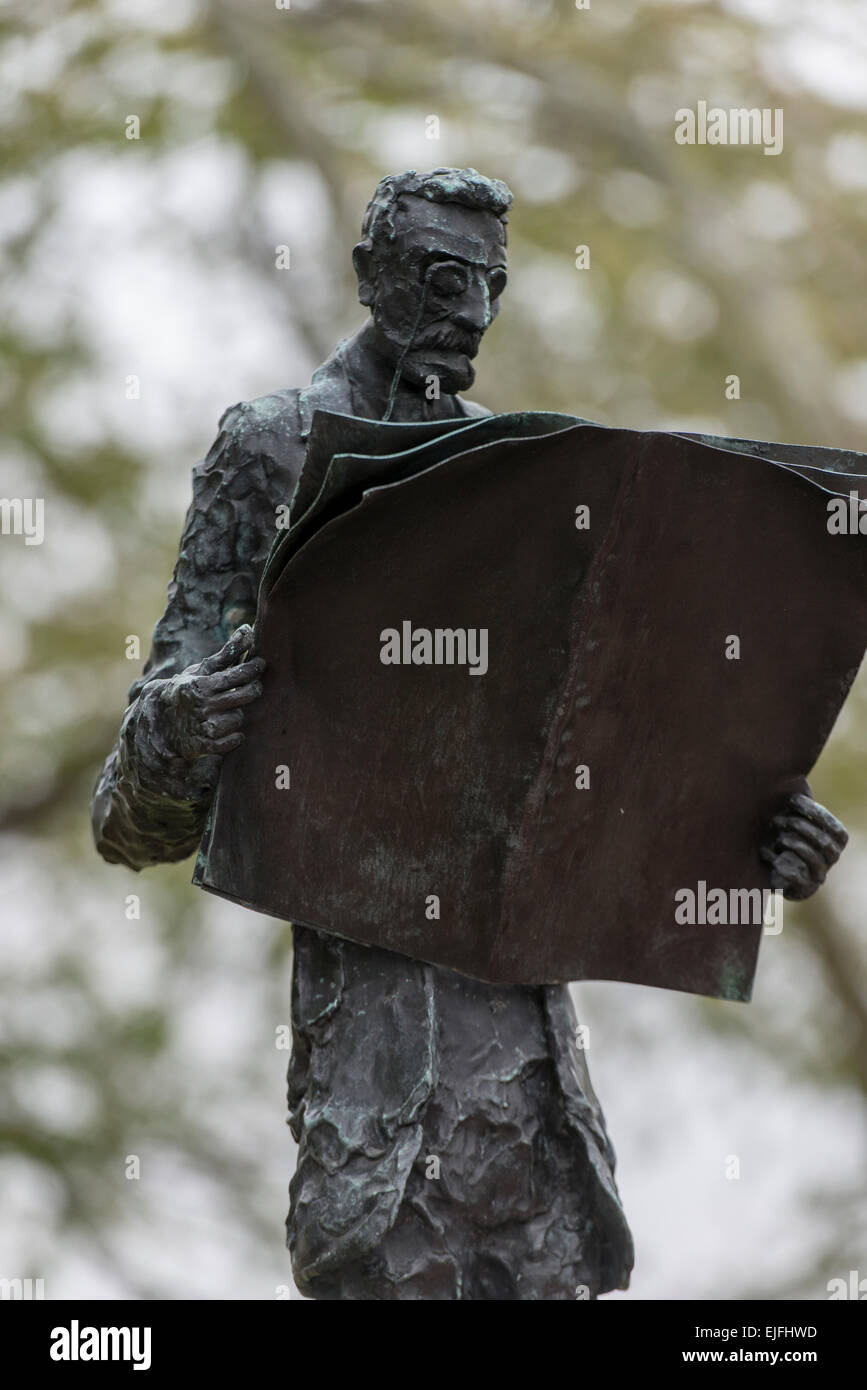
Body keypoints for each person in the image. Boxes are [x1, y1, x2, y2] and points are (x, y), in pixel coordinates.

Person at [93, 167, 846, 1299]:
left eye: (494, 286)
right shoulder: (270, 450)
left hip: (541, 1123)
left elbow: (613, 760)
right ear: (368, 278)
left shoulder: (523, 472)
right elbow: (125, 822)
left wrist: (757, 829)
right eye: (447, 279)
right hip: (381, 1120)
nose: (475, 314)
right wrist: (183, 722)